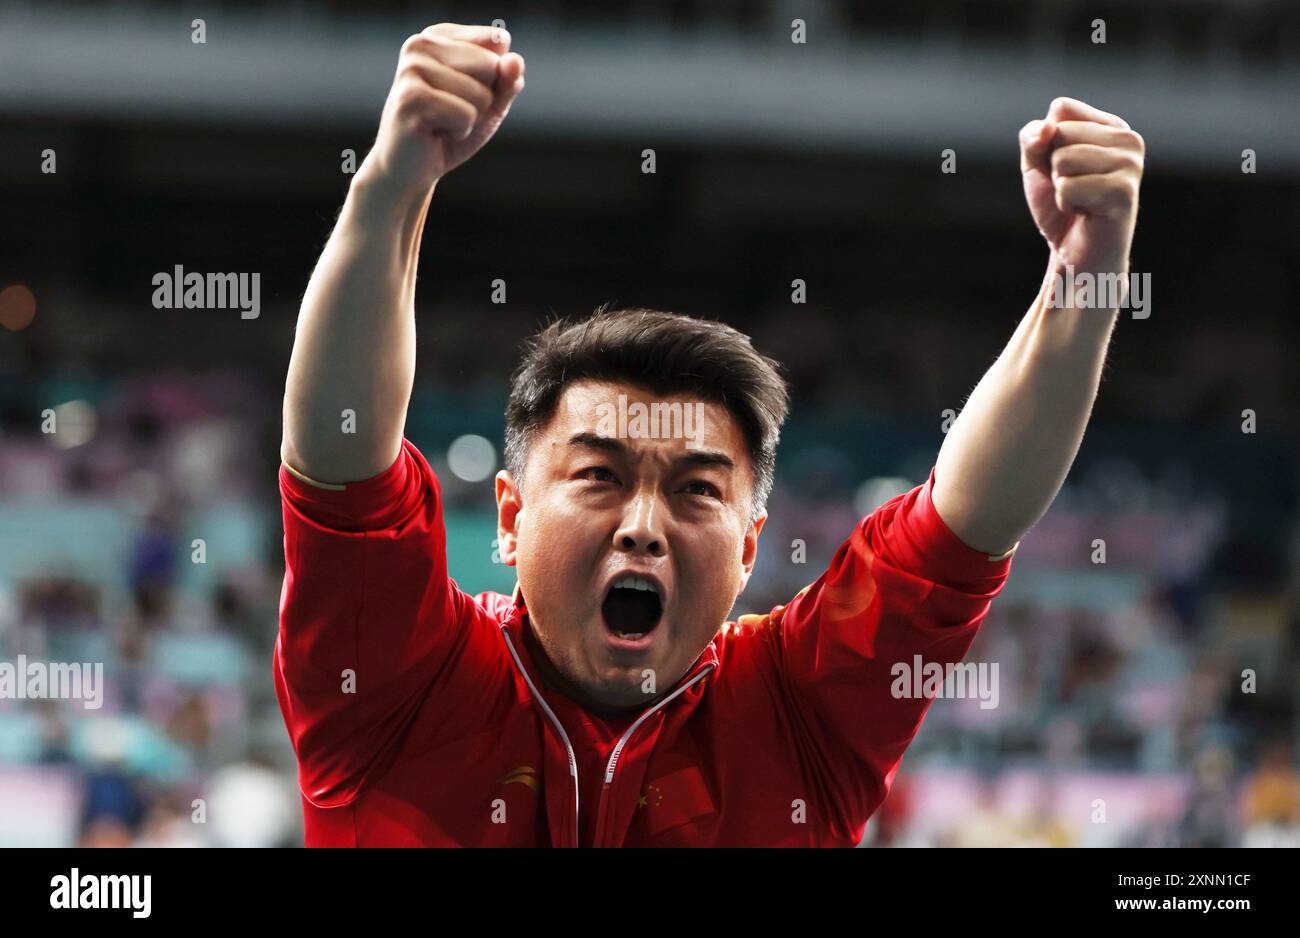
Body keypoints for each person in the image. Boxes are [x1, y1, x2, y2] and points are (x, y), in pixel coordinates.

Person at [275, 23, 1145, 846]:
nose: (644, 525)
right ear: (509, 518)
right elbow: (339, 464)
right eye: (599, 476)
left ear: (748, 546)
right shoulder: (400, 681)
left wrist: (1087, 276)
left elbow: (971, 523)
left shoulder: (801, 712)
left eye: (696, 488)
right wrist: (391, 184)